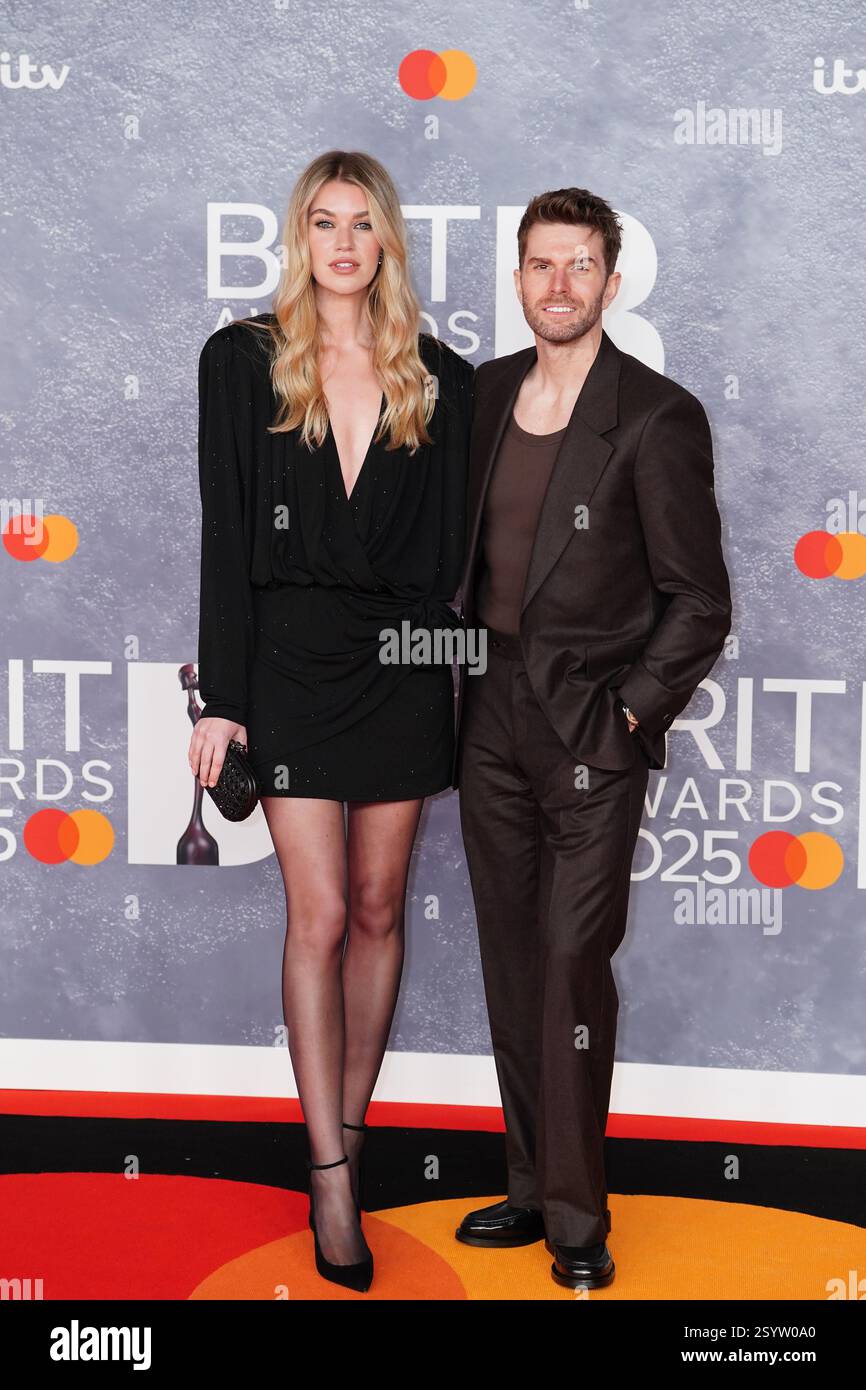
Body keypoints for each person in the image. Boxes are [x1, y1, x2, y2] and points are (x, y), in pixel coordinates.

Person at [188, 150, 473, 1293]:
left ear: (387, 241)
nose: (342, 244)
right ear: (298, 239)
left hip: (400, 665)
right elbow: (224, 535)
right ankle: (330, 1178)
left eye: (362, 224)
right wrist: (223, 698)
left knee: (373, 905)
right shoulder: (241, 360)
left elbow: (450, 569)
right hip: (291, 664)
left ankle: (347, 1131)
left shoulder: (439, 377)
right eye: (322, 222)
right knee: (315, 912)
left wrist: (462, 672)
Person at [453, 187, 732, 1289]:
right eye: (538, 265)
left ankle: (575, 1215)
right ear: (516, 280)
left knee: (570, 965)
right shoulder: (477, 397)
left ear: (609, 282)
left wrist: (627, 711)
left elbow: (697, 599)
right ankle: (526, 1183)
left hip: (589, 727)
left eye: (577, 266)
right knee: (512, 957)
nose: (557, 286)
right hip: (486, 716)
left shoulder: (656, 417)